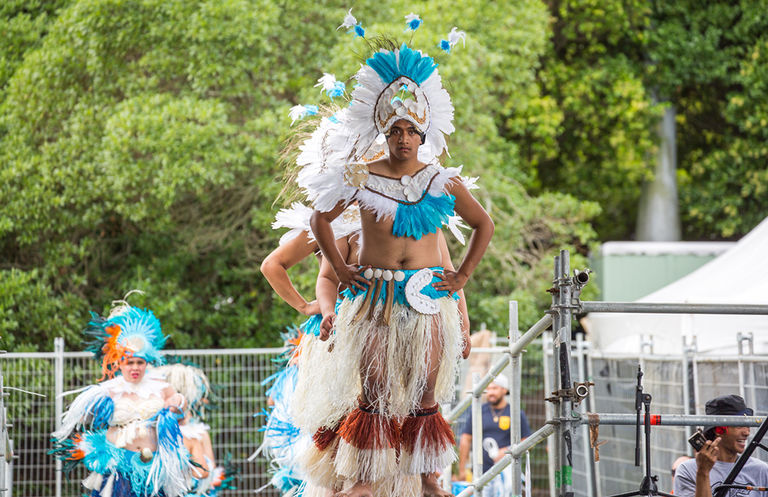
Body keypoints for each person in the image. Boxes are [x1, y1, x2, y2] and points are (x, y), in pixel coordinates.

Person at [291, 19, 493, 497]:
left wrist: (462, 277)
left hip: (428, 296)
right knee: (377, 392)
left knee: (425, 393)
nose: (404, 138)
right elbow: (320, 222)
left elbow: (484, 225)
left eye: (411, 130)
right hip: (375, 296)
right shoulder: (360, 176)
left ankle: (428, 478)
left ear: (424, 132)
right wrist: (341, 272)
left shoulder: (441, 179)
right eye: (396, 129)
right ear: (383, 130)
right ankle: (364, 479)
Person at [51, 299, 193, 497]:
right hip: (118, 469)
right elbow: (83, 420)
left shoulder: (161, 387)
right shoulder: (107, 390)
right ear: (120, 363)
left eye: (139, 362)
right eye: (129, 362)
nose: (135, 367)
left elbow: (184, 415)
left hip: (152, 469)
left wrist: (178, 402)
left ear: (146, 363)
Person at [674, 395, 768, 497]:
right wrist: (703, 472)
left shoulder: (761, 470)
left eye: (748, 425)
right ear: (719, 429)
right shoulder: (688, 470)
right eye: (739, 425)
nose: (747, 432)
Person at [455, 374, 532, 496]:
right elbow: (465, 439)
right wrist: (461, 470)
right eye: (488, 389)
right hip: (481, 474)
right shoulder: (478, 410)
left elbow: (527, 441)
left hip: (507, 474)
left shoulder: (515, 412)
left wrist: (508, 450)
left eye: (495, 388)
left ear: (504, 390)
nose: (490, 392)